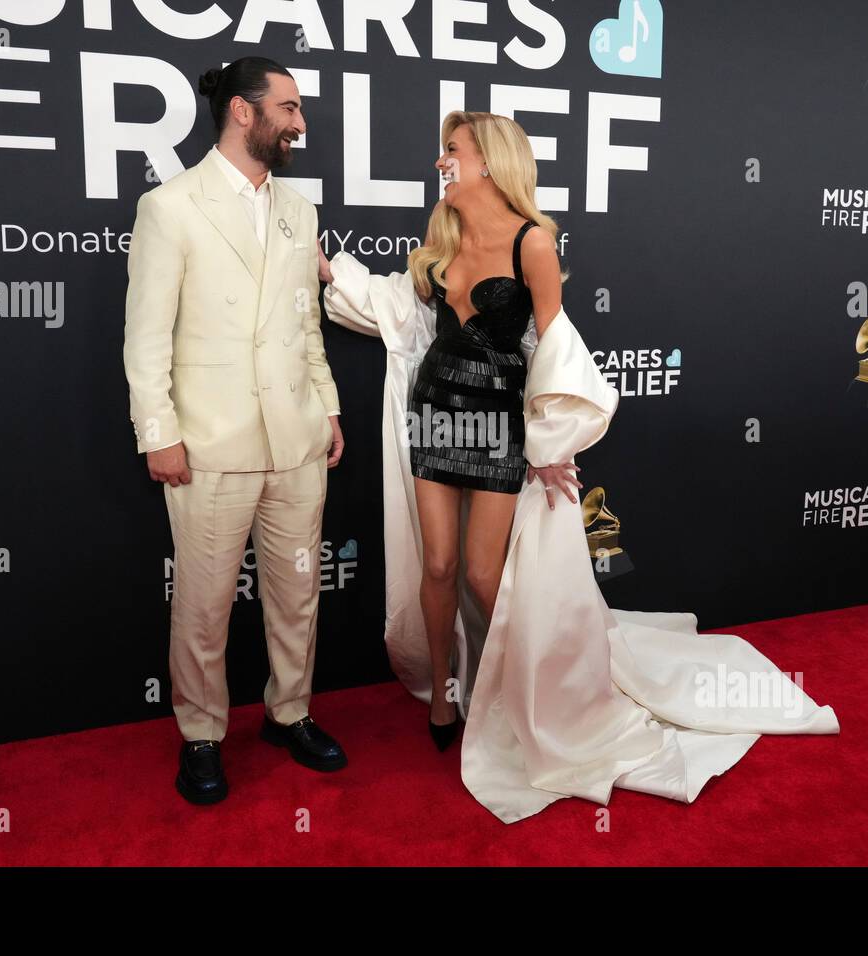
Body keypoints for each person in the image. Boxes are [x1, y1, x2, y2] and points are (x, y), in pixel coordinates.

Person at [319, 110, 840, 824]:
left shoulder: (536, 241)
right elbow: (400, 312)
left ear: (491, 160)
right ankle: (444, 694)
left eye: (453, 151)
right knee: (435, 567)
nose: (442, 162)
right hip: (435, 410)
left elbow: (554, 350)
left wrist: (550, 443)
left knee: (481, 573)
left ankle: (509, 696)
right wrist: (331, 272)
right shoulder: (441, 233)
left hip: (498, 421)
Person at [123, 57, 347, 806]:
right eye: (287, 107)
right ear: (244, 113)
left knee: (297, 595)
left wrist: (328, 406)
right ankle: (201, 735)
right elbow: (146, 336)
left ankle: (290, 712)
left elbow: (304, 323)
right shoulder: (171, 207)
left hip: (297, 441)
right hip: (210, 446)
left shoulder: (301, 210)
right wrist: (158, 430)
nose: (301, 122)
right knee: (204, 606)